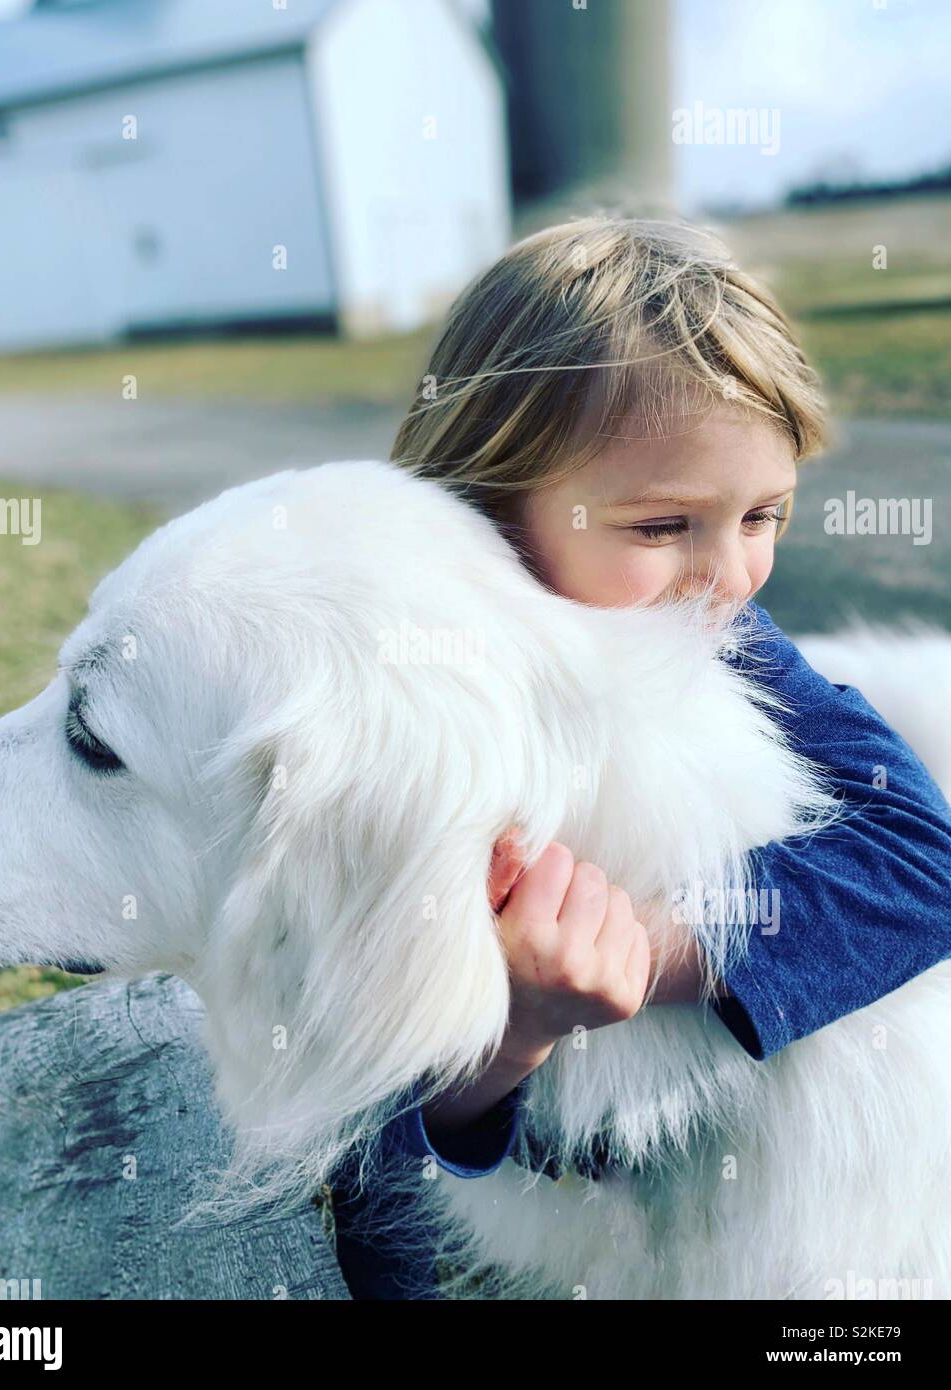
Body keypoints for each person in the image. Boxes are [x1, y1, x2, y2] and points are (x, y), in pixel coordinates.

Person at [329, 214, 951, 1299]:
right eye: (663, 525)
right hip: (487, 1228)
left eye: (762, 514)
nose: (731, 575)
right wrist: (513, 1025)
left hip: (693, 1211)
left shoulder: (735, 650)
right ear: (481, 505)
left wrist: (650, 947)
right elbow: (386, 1103)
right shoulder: (394, 711)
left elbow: (920, 860)